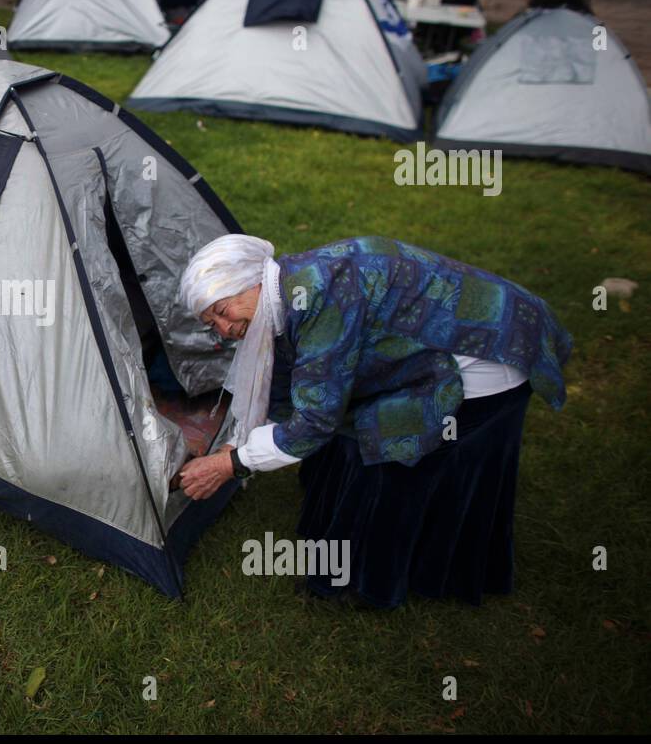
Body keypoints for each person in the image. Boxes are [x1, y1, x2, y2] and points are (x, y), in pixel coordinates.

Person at [176, 235, 572, 609]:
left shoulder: (317, 299)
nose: (225, 330)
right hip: (445, 346)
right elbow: (294, 388)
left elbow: (315, 420)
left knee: (391, 446)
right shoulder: (290, 288)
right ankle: (349, 555)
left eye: (223, 312)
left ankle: (374, 582)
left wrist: (231, 464)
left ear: (253, 285)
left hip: (487, 354)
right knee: (355, 426)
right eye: (212, 323)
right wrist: (237, 446)